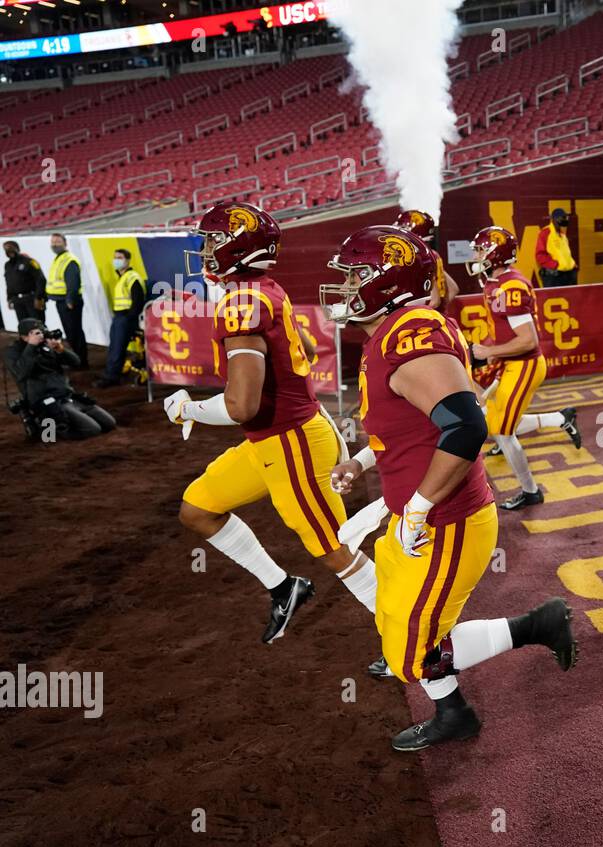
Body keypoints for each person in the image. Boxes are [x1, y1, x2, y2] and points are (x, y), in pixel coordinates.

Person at [321, 224, 579, 751]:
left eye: (355, 277)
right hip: (416, 514)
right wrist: (372, 475)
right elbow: (416, 429)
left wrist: (415, 506)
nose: (345, 289)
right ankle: (455, 712)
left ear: (386, 283)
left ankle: (536, 626)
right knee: (394, 625)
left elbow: (465, 426)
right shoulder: (396, 331)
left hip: (444, 521)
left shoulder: (407, 333)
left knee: (409, 655)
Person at [165, 201, 377, 645]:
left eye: (212, 241)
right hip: (274, 440)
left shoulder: (242, 302)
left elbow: (241, 406)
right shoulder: (261, 290)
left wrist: (190, 409)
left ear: (236, 248)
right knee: (198, 508)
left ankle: (416, 633)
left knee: (335, 550)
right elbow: (304, 345)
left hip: (291, 442)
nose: (204, 251)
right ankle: (285, 587)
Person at [464, 225, 580, 511]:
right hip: (511, 362)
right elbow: (504, 328)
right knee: (497, 423)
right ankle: (559, 419)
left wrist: (488, 350)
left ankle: (531, 491)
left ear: (495, 253)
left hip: (524, 364)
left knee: (502, 432)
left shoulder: (511, 286)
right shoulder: (496, 281)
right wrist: (490, 350)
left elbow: (528, 340)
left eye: (481, 249)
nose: (477, 255)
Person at [5, 319, 115, 439]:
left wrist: (60, 349)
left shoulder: (45, 347)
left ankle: (68, 418)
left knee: (109, 423)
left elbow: (76, 362)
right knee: (93, 429)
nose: (40, 335)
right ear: (24, 337)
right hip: (47, 400)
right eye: (34, 333)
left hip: (67, 395)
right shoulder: (14, 352)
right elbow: (21, 373)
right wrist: (31, 346)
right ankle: (49, 429)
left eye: (40, 332)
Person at [95, 248, 146, 387]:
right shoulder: (122, 277)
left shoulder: (132, 277)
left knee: (117, 349)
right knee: (114, 348)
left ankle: (111, 377)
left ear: (127, 260)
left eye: (120, 257)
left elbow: (138, 302)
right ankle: (111, 374)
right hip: (119, 317)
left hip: (125, 319)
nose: (116, 260)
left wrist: (128, 318)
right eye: (115, 257)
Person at [44, 233, 87, 370]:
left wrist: (70, 300)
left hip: (69, 302)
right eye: (53, 242)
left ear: (65, 243)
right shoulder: (59, 258)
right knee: (71, 333)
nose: (54, 244)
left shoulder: (69, 260)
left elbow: (73, 283)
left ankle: (81, 362)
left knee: (75, 333)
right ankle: (76, 360)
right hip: (61, 301)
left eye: (57, 241)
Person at [4, 241, 46, 329]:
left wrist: (39, 297)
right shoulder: (7, 265)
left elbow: (40, 280)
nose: (9, 251)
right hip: (17, 301)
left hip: (31, 298)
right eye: (6, 249)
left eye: (11, 248)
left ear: (17, 249)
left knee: (38, 326)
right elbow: (9, 283)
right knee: (24, 328)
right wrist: (9, 298)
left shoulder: (29, 261)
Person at [535, 208, 577, 287]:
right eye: (563, 218)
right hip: (554, 276)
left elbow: (566, 254)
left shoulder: (562, 234)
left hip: (568, 275)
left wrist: (573, 264)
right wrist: (555, 265)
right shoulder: (545, 233)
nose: (565, 220)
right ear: (554, 219)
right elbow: (540, 255)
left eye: (565, 218)